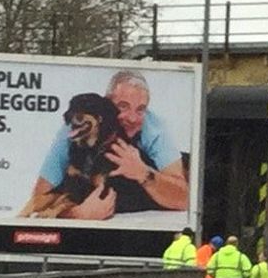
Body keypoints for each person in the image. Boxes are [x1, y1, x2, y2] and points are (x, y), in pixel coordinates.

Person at [29, 70, 189, 219]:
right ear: (106, 104)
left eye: (140, 109)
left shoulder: (155, 130)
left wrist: (142, 172)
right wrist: (77, 214)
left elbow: (184, 199)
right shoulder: (77, 129)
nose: (132, 118)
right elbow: (39, 197)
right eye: (123, 106)